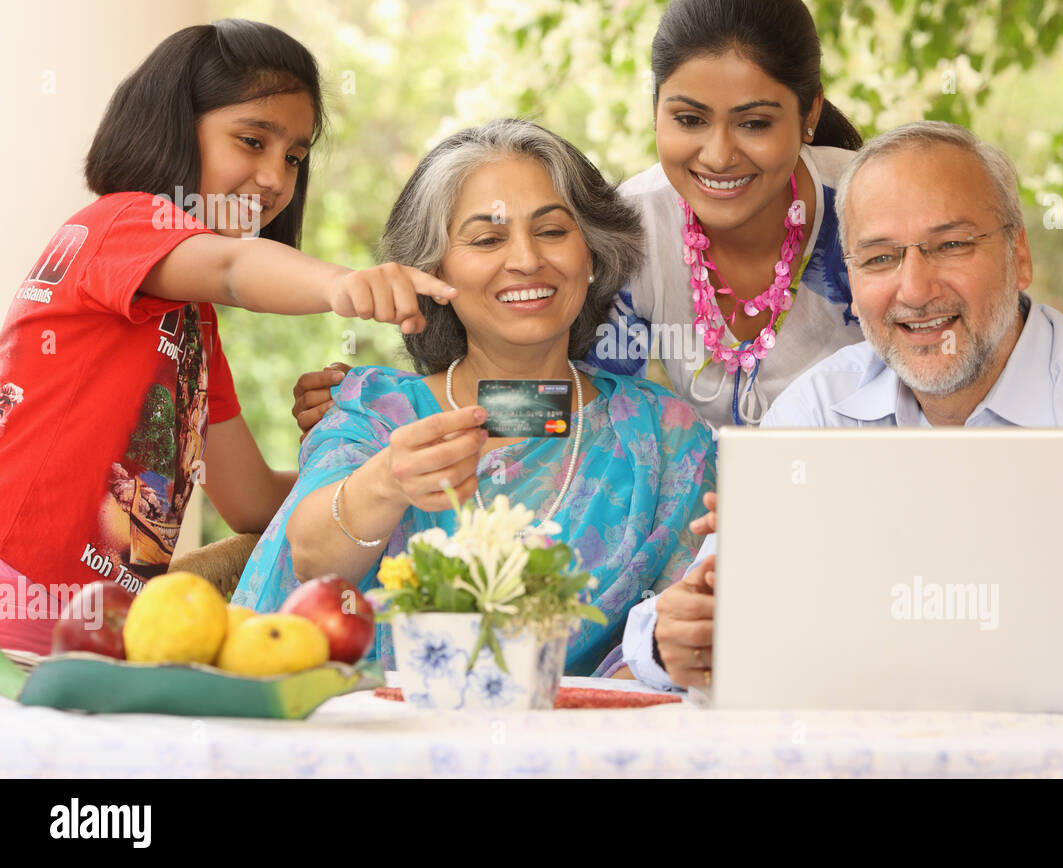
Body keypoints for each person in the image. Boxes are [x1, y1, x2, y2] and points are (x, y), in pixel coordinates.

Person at [291, 0, 1063, 433]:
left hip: (861, 547)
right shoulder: (616, 234)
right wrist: (396, 407)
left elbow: (987, 328)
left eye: (756, 123)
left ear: (805, 115)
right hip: (662, 562)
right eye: (687, 120)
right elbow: (549, 396)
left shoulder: (871, 207)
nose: (718, 156)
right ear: (654, 113)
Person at [626, 120, 1063, 708]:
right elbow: (716, 599)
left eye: (950, 245)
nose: (916, 289)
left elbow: (1057, 645)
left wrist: (829, 572)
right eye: (879, 258)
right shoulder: (819, 408)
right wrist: (670, 637)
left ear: (1019, 256)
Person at [0, 19, 452, 654]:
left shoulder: (188, 323)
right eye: (251, 141)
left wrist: (366, 455)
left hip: (97, 628)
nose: (274, 178)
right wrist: (345, 284)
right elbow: (236, 269)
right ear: (171, 128)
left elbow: (250, 503)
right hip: (18, 596)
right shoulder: (120, 224)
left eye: (293, 157)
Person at [233, 119, 715, 675]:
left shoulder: (665, 437)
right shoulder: (376, 412)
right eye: (487, 239)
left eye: (554, 231)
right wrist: (388, 480)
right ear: (432, 270)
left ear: (593, 252)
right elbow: (311, 557)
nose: (527, 260)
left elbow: (680, 639)